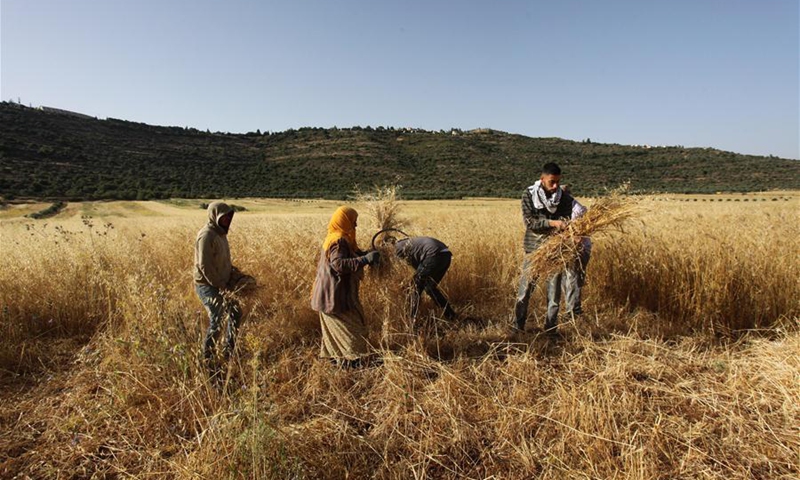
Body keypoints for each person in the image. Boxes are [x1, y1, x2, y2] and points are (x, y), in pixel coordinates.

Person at [513, 162, 582, 335]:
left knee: (554, 295)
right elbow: (530, 223)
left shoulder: (564, 199)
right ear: (542, 179)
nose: (556, 186)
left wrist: (569, 232)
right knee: (524, 291)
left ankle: (550, 330)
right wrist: (552, 223)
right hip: (533, 250)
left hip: (555, 250)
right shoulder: (529, 195)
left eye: (558, 181)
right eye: (552, 182)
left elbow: (566, 223)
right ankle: (517, 328)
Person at [311, 206, 380, 368]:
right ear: (344, 221)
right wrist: (365, 260)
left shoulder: (338, 238)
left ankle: (339, 361)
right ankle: (353, 361)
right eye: (353, 221)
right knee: (353, 328)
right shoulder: (339, 240)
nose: (355, 225)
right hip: (333, 294)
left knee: (341, 329)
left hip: (330, 292)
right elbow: (339, 264)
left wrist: (365, 254)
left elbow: (351, 255)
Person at [194, 201, 252, 375]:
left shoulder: (221, 234)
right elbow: (204, 266)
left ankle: (229, 352)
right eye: (223, 216)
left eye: (229, 216)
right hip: (207, 285)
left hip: (223, 283)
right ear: (215, 216)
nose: (227, 219)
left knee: (235, 313)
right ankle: (207, 360)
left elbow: (223, 261)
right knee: (217, 320)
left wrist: (236, 275)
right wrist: (221, 285)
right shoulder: (206, 235)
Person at [394, 236, 457, 323]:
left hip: (433, 255)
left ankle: (410, 320)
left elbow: (395, 269)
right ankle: (451, 315)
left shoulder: (396, 248)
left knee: (414, 288)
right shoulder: (408, 243)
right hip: (446, 255)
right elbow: (418, 266)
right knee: (430, 288)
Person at [561, 184, 591, 317]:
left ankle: (572, 311)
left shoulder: (577, 210)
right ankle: (574, 308)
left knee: (573, 278)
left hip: (579, 249)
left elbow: (577, 236)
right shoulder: (566, 207)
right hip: (569, 248)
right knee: (568, 278)